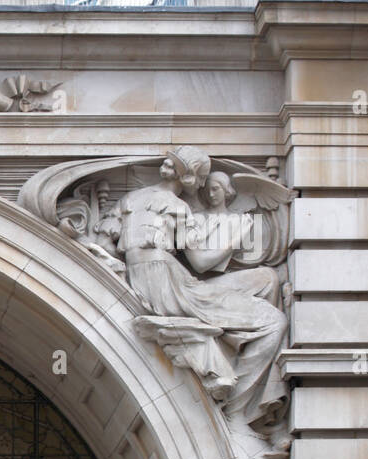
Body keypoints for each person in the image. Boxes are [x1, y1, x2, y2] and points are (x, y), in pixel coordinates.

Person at [114, 146, 286, 427]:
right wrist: (238, 235)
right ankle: (240, 411)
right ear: (192, 178)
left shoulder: (132, 198)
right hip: (173, 287)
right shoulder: (178, 207)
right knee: (275, 321)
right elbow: (202, 262)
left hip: (161, 278)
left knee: (267, 278)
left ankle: (236, 345)